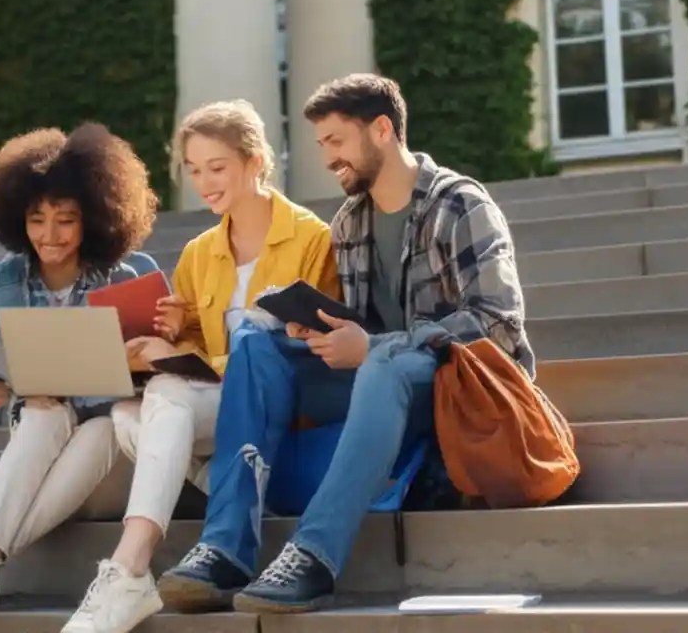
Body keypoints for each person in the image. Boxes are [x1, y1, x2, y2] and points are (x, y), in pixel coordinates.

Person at [157, 73, 534, 615]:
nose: (328, 158)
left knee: (384, 361)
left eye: (336, 142)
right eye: (322, 145)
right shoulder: (350, 221)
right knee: (254, 340)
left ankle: (313, 554)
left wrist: (378, 345)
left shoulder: (460, 205)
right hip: (375, 383)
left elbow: (500, 326)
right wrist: (315, 332)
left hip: (459, 388)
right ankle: (225, 547)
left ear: (381, 130)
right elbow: (353, 329)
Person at [60, 100, 342, 633]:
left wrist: (180, 361)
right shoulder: (198, 252)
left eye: (217, 168)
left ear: (255, 161)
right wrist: (170, 333)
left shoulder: (312, 239)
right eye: (193, 170)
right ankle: (228, 488)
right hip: (211, 402)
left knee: (165, 394)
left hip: (280, 404)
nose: (203, 182)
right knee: (126, 412)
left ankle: (130, 568)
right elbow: (191, 345)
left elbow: (299, 351)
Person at [0, 123, 159, 614]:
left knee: (104, 426)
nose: (49, 235)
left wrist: (133, 361)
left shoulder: (131, 276)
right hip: (40, 439)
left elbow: (162, 374)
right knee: (41, 413)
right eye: (37, 219)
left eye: (66, 220)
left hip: (114, 446)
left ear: (94, 219)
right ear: (18, 218)